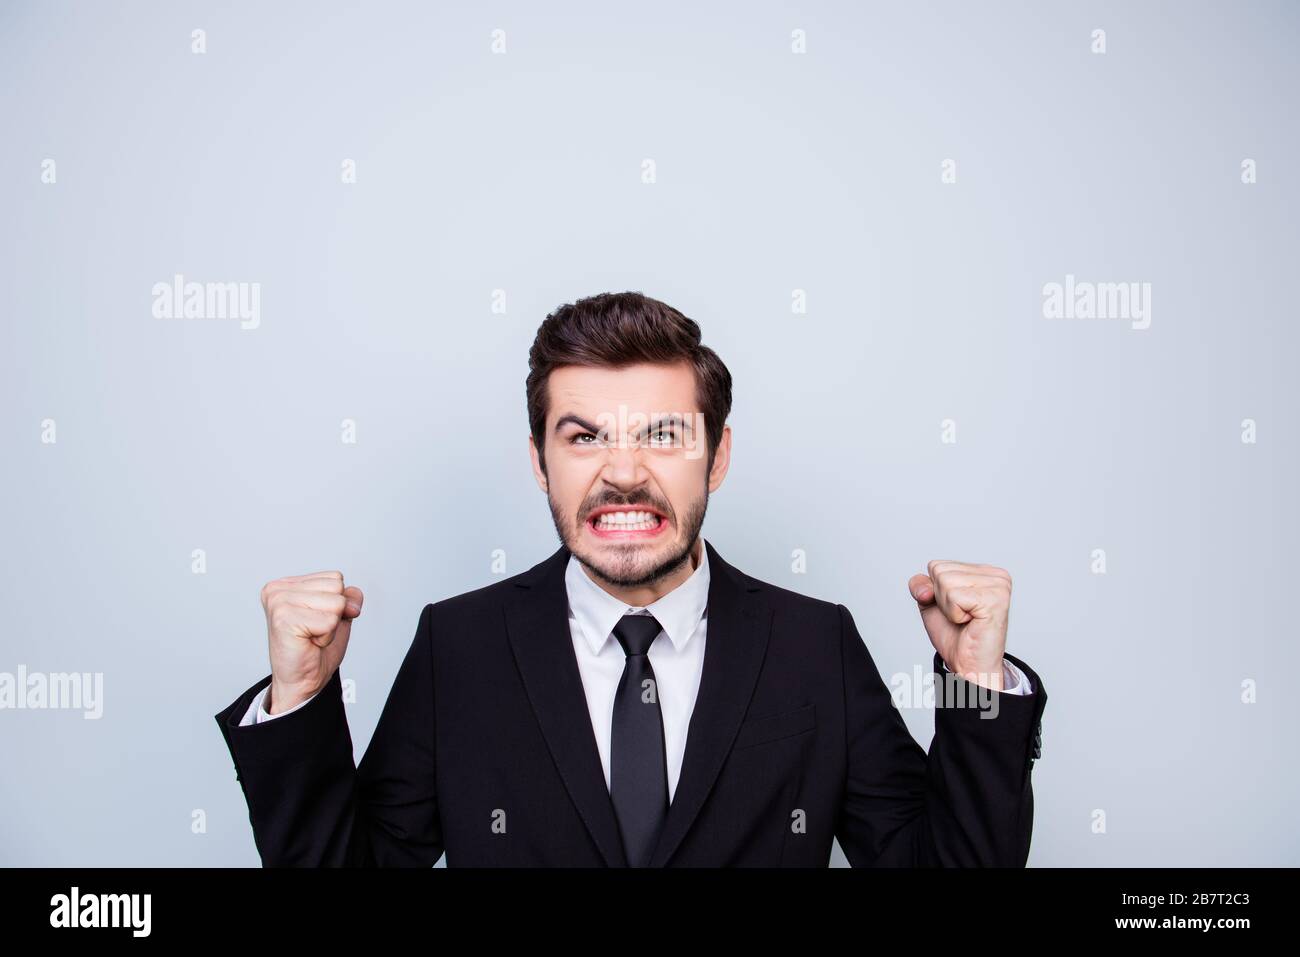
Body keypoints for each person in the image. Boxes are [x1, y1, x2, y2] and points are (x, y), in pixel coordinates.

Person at [214, 291, 1047, 866]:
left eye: (663, 434)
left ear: (717, 456)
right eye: (582, 438)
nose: (622, 473)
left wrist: (976, 683)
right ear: (540, 464)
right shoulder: (457, 647)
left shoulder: (812, 644)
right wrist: (300, 700)